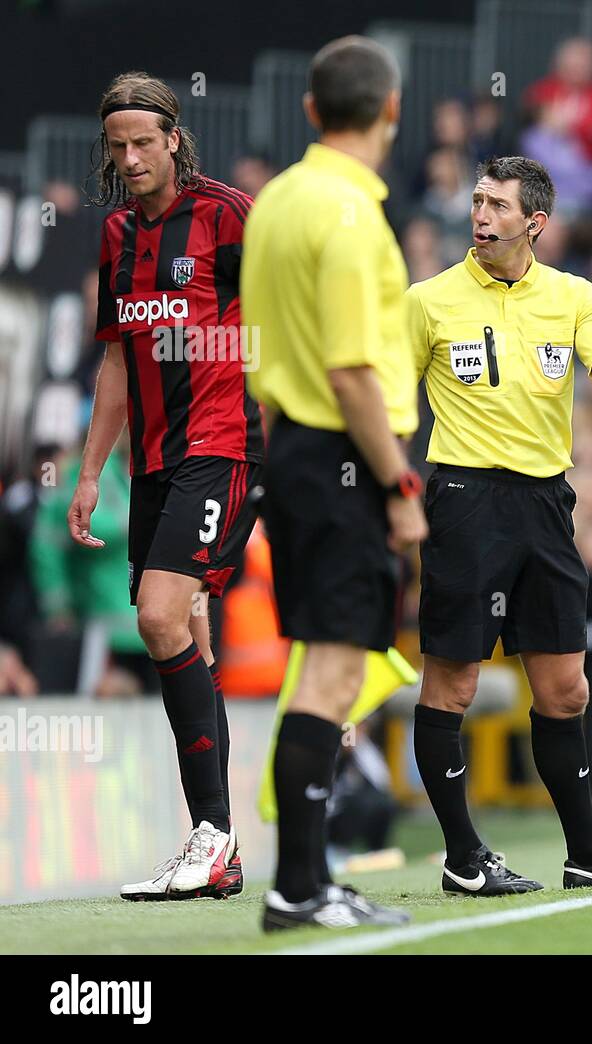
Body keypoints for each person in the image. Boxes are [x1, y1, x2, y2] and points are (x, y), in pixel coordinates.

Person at [406, 155, 592, 895]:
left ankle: (586, 851)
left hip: (547, 505)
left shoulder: (574, 297)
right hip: (463, 500)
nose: (481, 216)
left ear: (536, 222)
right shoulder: (427, 301)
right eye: (477, 201)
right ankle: (463, 857)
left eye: (498, 205)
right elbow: (391, 402)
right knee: (453, 684)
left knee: (567, 691)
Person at [242, 36, 425, 931]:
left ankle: (302, 883)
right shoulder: (352, 217)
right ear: (391, 111)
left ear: (312, 112)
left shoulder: (275, 201)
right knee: (332, 672)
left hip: (295, 452)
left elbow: (264, 353)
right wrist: (399, 487)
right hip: (344, 456)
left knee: (320, 667)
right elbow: (353, 371)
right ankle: (301, 887)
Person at [73, 72, 262, 901]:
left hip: (221, 448)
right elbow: (116, 359)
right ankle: (216, 848)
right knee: (186, 632)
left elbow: (278, 325)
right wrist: (87, 474)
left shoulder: (227, 215)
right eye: (118, 146)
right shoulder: (116, 234)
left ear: (174, 139)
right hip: (149, 466)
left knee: (156, 617)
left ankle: (211, 837)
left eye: (144, 142)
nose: (131, 157)